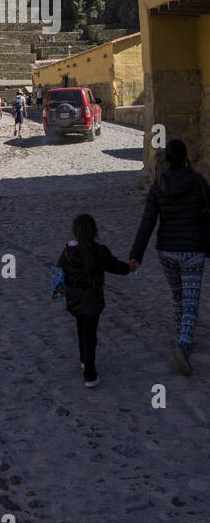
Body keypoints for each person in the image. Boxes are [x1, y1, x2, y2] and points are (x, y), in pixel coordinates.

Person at [128, 139, 210, 374]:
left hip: (167, 250)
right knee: (191, 301)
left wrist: (136, 255)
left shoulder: (158, 185)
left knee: (178, 296)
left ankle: (181, 334)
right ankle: (183, 344)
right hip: (193, 249)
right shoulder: (198, 182)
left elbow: (147, 223)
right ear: (186, 158)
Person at [58, 214, 130, 387]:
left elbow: (58, 271)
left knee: (80, 328)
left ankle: (83, 360)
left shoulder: (68, 251)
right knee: (90, 335)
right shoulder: (99, 251)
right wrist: (130, 268)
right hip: (92, 299)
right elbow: (115, 266)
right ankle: (90, 375)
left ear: (74, 232)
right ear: (94, 231)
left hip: (74, 299)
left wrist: (59, 293)